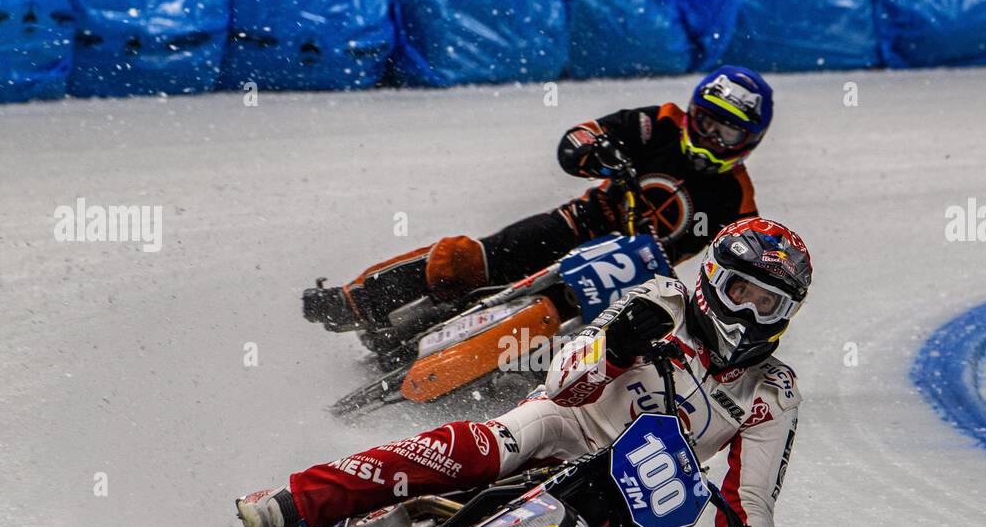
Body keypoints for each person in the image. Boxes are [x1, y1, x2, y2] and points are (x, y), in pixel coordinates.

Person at [244, 217, 811, 527]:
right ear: (714, 277)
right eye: (743, 291)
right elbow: (566, 380)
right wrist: (617, 343)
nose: (750, 313)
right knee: (492, 446)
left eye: (770, 304)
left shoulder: (773, 391)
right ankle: (295, 502)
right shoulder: (662, 302)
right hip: (565, 425)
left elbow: (751, 495)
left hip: (632, 495)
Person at [302, 66, 773, 335]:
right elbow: (583, 135)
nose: (710, 136)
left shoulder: (738, 196)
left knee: (600, 346)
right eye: (706, 121)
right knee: (465, 259)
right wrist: (594, 150)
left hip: (636, 277)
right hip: (577, 226)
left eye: (725, 130)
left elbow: (746, 259)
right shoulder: (659, 123)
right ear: (692, 112)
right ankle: (355, 300)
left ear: (747, 140)